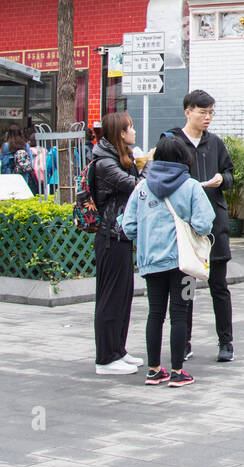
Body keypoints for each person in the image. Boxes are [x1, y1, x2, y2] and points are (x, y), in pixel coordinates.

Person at [121, 135, 214, 387]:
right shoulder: (191, 186)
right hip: (183, 263)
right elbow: (205, 223)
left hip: (151, 262)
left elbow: (128, 227)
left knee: (155, 313)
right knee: (180, 314)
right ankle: (177, 371)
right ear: (184, 158)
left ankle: (153, 370)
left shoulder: (141, 188)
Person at [160, 90, 236, 362]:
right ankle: (185, 341)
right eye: (203, 112)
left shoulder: (215, 143)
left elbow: (230, 174)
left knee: (219, 285)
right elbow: (161, 176)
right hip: (184, 226)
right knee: (185, 286)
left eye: (211, 113)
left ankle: (225, 342)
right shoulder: (171, 141)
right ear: (187, 111)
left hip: (214, 224)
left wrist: (221, 178)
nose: (207, 118)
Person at [90, 112, 143, 376]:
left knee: (123, 296)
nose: (134, 131)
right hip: (110, 237)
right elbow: (135, 186)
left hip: (122, 236)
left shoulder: (119, 158)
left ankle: (118, 350)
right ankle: (105, 358)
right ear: (121, 133)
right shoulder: (104, 163)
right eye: (131, 127)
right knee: (110, 298)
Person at [0, 125, 39, 195]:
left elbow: (4, 162)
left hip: (10, 172)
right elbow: (30, 160)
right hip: (23, 172)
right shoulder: (25, 145)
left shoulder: (6, 145)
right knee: (22, 192)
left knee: (10, 193)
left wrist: (3, 173)